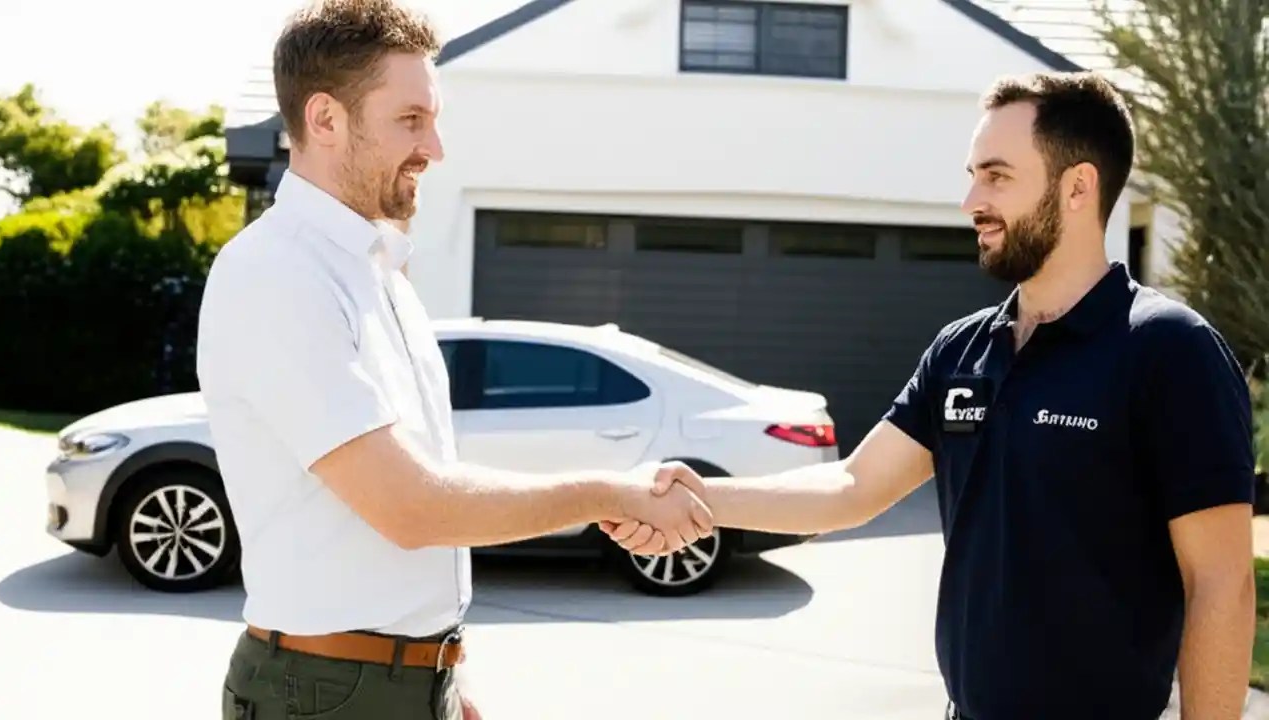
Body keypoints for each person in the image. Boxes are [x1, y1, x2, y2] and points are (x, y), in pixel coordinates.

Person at [606, 71, 1256, 719]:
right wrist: (700, 498)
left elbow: (1220, 584)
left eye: (997, 175)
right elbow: (852, 488)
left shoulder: (1168, 350)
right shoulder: (961, 350)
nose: (971, 199)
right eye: (972, 173)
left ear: (1078, 186)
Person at [195, 2, 710, 719]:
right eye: (411, 120)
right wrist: (605, 493)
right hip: (322, 695)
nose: (435, 147)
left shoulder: (380, 275)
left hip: (404, 681)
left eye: (433, 120)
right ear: (324, 120)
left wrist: (443, 672)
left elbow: (429, 493)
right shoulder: (275, 274)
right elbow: (409, 507)